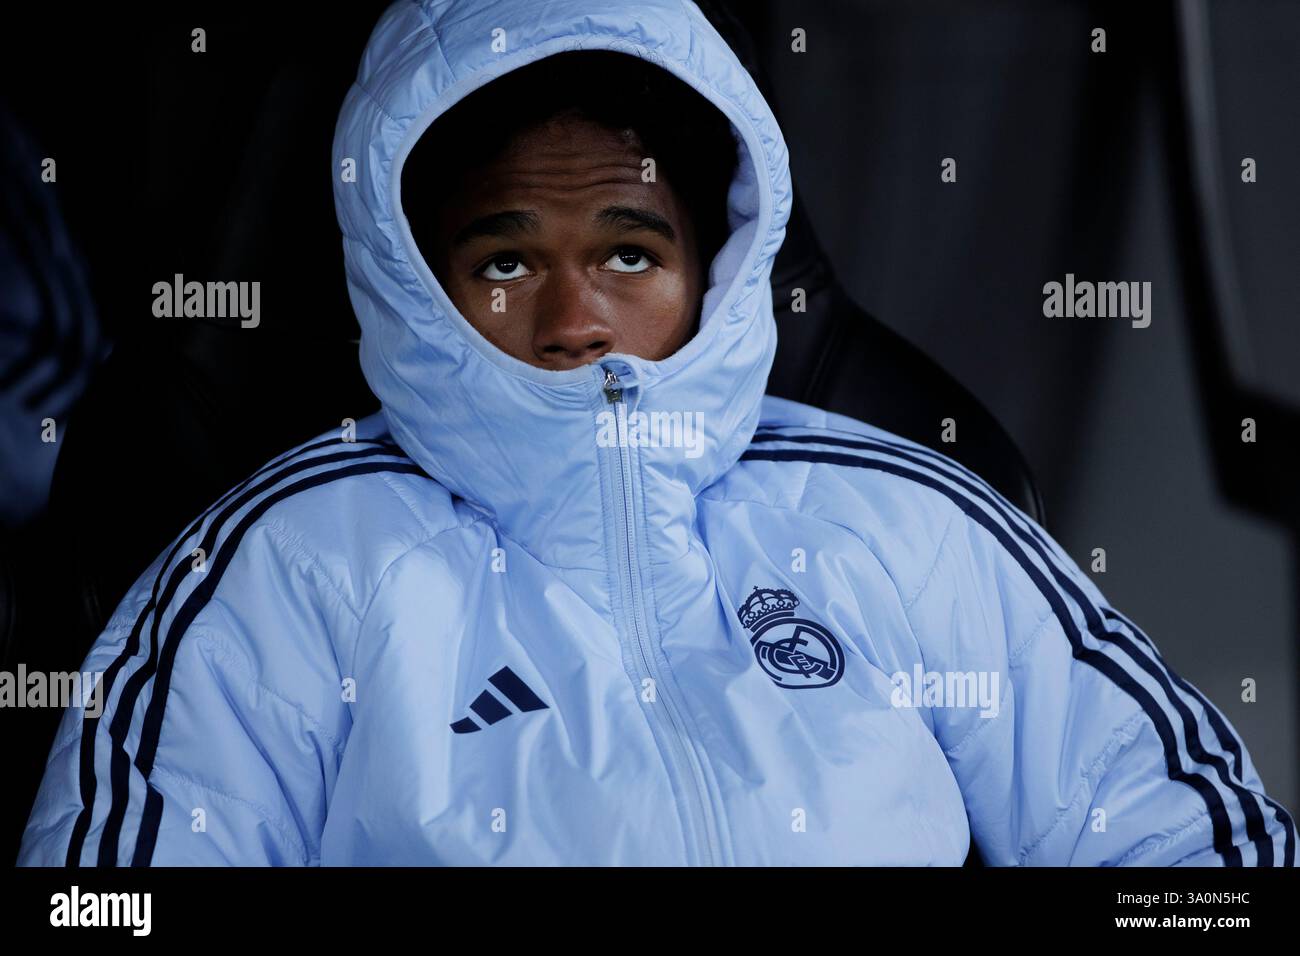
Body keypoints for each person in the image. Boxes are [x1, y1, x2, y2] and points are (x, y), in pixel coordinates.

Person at [18, 0, 1294, 866]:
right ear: (412, 277)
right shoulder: (283, 563)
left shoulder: (906, 512)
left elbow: (1190, 839)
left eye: (629, 250)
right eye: (506, 257)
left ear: (716, 266)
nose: (578, 318)